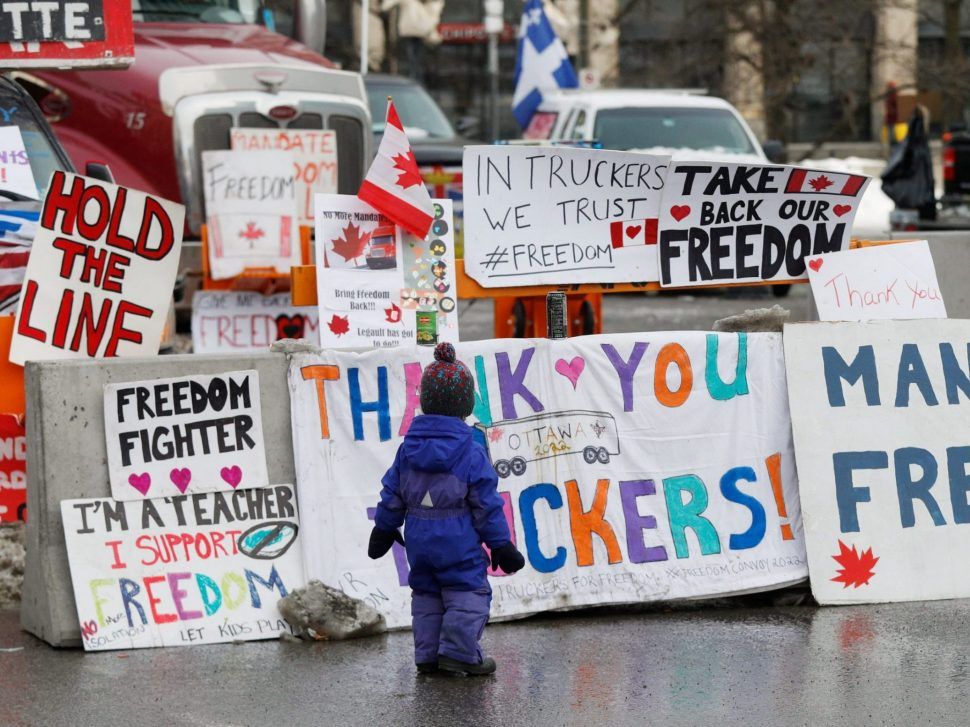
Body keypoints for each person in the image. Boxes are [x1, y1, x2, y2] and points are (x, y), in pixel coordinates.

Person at [367, 342, 525, 675]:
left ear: (425, 401)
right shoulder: (471, 450)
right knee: (467, 589)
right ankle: (458, 653)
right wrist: (499, 544)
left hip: (419, 541)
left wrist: (383, 527)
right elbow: (486, 505)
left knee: (426, 591)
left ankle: (427, 655)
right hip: (458, 541)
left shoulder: (408, 447)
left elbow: (392, 491)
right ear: (466, 405)